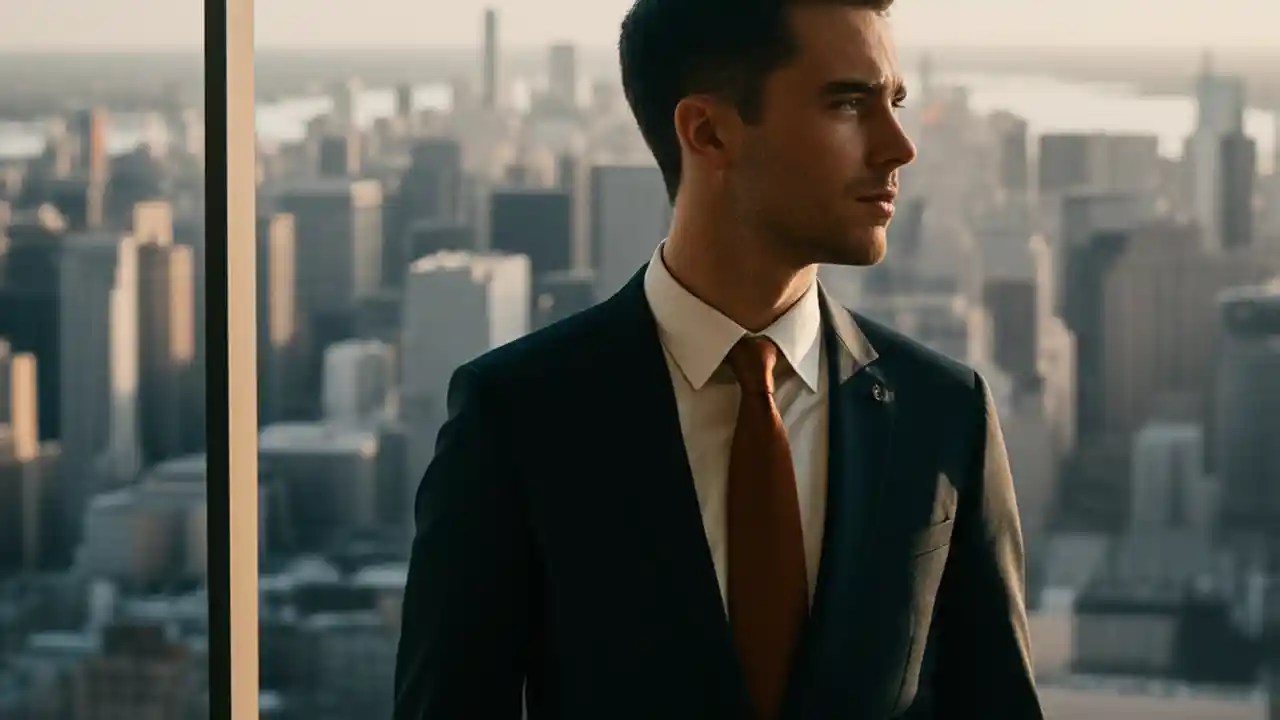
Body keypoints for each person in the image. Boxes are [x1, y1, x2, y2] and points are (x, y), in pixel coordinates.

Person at [394, 0, 1044, 717]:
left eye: (893, 102)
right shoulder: (519, 420)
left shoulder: (944, 413)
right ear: (708, 132)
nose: (899, 146)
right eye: (849, 105)